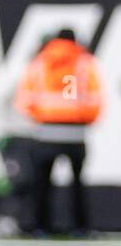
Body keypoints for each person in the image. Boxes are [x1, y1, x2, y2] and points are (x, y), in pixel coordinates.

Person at [15, 29, 104, 235]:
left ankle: (40, 227)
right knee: (77, 184)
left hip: (47, 132)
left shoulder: (40, 62)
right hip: (75, 133)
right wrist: (82, 118)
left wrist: (42, 116)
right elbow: (96, 98)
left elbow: (25, 99)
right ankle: (81, 227)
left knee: (43, 184)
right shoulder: (84, 63)